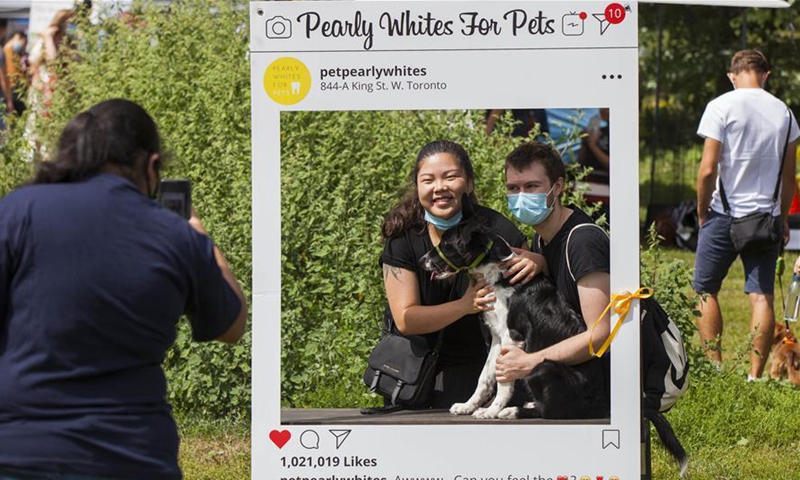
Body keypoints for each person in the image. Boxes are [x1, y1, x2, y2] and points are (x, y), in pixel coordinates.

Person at [0, 99, 247, 479]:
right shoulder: (174, 234)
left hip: (23, 454)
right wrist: (199, 236)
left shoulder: (17, 211)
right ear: (151, 166)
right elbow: (231, 327)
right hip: (133, 457)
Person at [379, 140, 538, 408]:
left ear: (470, 183)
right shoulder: (402, 236)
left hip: (478, 371)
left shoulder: (495, 230)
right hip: (411, 374)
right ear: (417, 187)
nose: (439, 187)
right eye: (428, 180)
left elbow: (527, 300)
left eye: (450, 177)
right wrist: (466, 305)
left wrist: (539, 261)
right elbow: (406, 319)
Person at [693, 49, 799, 380]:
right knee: (761, 295)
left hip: (724, 214)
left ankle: (715, 368)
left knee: (705, 290)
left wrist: (701, 211)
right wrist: (782, 218)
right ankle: (754, 377)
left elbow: (708, 169)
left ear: (732, 75)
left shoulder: (721, 106)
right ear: (766, 75)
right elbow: (789, 177)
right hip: (765, 218)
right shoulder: (784, 114)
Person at [493, 141, 611, 411]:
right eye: (513, 188)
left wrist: (530, 361)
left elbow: (600, 335)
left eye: (532, 186)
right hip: (567, 385)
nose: (521, 196)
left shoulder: (583, 242)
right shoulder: (541, 240)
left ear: (557, 187)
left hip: (600, 394)